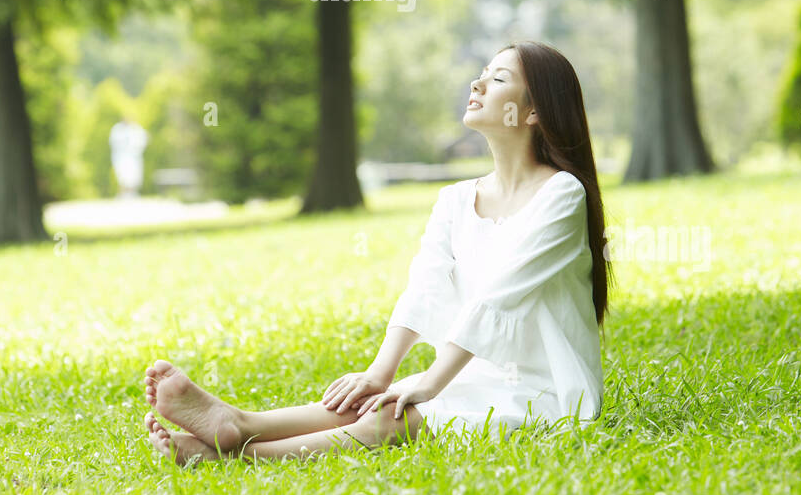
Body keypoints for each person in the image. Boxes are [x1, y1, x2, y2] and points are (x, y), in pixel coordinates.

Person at [143, 40, 612, 466]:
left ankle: (235, 455)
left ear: (534, 112)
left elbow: (497, 298)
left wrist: (429, 382)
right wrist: (379, 372)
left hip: (541, 394)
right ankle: (240, 424)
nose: (477, 83)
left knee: (392, 421)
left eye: (499, 78)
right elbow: (424, 288)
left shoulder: (561, 194)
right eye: (482, 72)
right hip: (467, 380)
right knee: (373, 402)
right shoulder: (455, 198)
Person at [109, 117, 148, 198]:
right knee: (122, 176)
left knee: (133, 176)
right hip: (121, 157)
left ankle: (132, 193)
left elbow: (141, 140)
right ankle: (123, 193)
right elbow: (114, 142)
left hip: (133, 157)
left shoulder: (135, 129)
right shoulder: (117, 129)